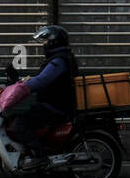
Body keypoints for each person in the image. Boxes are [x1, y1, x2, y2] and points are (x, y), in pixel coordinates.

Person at [6, 25, 79, 165]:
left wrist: (23, 87)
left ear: (53, 42)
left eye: (45, 42)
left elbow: (42, 80)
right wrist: (21, 83)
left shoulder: (59, 61)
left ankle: (40, 157)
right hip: (53, 104)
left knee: (19, 125)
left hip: (55, 107)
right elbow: (41, 78)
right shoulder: (59, 59)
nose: (43, 45)